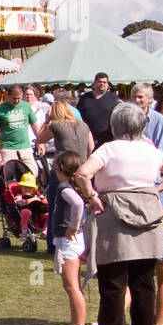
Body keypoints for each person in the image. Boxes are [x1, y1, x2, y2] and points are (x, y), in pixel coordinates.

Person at [75, 103, 163, 325]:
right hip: (147, 217)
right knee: (143, 283)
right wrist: (156, 190)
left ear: (115, 127)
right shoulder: (150, 151)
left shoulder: (109, 149)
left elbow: (83, 173)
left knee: (113, 285)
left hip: (114, 215)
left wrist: (92, 196)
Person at [131, 82, 163, 325]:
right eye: (135, 97)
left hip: (156, 193)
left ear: (149, 100)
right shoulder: (128, 117)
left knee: (157, 270)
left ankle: (158, 323)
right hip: (147, 196)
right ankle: (139, 321)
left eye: (141, 97)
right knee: (141, 272)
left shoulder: (157, 122)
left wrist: (158, 183)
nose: (138, 100)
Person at [36, 94, 93, 254]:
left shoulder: (56, 126)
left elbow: (40, 138)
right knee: (80, 206)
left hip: (61, 171)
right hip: (81, 170)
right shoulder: (83, 125)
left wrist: (47, 122)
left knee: (57, 206)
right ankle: (80, 244)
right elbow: (91, 146)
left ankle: (53, 245)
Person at [50, 151, 88, 325]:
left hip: (70, 241)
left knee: (72, 285)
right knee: (70, 285)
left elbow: (78, 205)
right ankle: (74, 324)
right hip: (71, 240)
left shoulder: (65, 189)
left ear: (62, 169)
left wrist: (73, 226)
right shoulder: (76, 186)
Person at [0, 83, 42, 176]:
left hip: (25, 148)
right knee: (9, 178)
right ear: (8, 95)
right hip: (8, 149)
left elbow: (35, 125)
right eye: (14, 98)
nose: (17, 101)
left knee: (33, 175)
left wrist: (41, 142)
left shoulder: (26, 106)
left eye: (19, 98)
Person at [77, 72, 120, 149]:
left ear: (108, 84)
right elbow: (78, 116)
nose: (102, 84)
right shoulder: (84, 98)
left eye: (104, 82)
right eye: (99, 82)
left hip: (108, 138)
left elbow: (118, 118)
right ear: (94, 83)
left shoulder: (114, 99)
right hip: (88, 137)